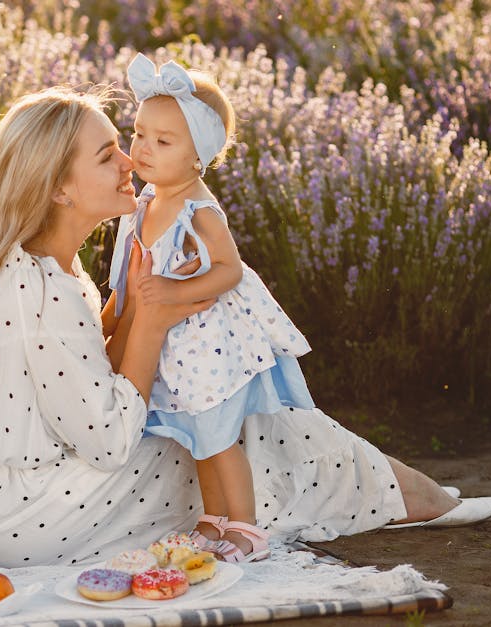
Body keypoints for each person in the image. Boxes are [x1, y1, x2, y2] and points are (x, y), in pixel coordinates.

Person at [0, 84, 491, 569]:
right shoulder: (41, 290)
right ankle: (403, 499)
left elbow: (87, 383)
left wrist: (136, 309)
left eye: (125, 143)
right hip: (4, 522)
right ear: (58, 187)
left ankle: (393, 496)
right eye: (108, 154)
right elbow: (109, 439)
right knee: (230, 422)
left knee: (214, 414)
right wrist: (154, 322)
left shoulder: (41, 267)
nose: (131, 160)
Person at [101, 54, 308, 563]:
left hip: (209, 349)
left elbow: (229, 271)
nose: (143, 149)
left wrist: (171, 293)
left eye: (163, 141)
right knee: (198, 441)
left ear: (199, 157)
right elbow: (131, 272)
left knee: (219, 441)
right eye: (139, 134)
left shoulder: (200, 210)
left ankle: (246, 529)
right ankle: (213, 523)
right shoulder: (147, 203)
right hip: (175, 352)